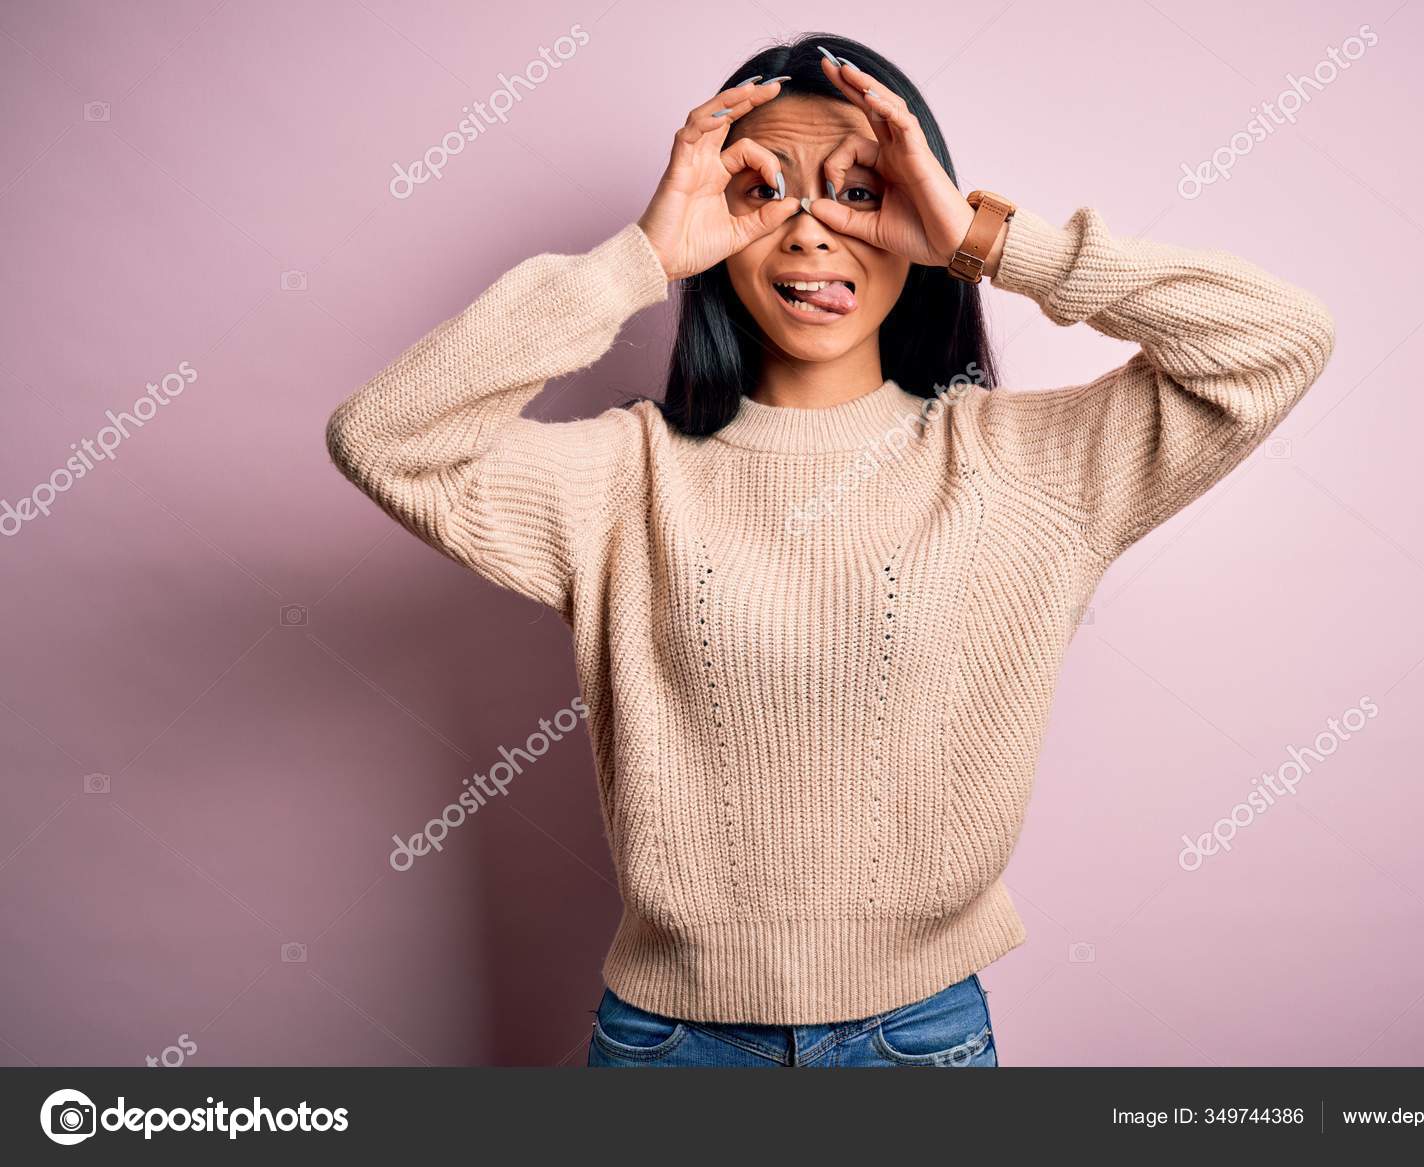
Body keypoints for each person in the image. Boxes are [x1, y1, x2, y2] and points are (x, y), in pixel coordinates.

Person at [326, 34, 1335, 1068]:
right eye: (764, 195)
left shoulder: (1026, 469)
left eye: (858, 192)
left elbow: (1275, 342)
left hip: (917, 1039)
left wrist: (983, 237)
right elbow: (384, 438)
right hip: (668, 1047)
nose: (811, 232)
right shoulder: (624, 477)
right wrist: (642, 258)